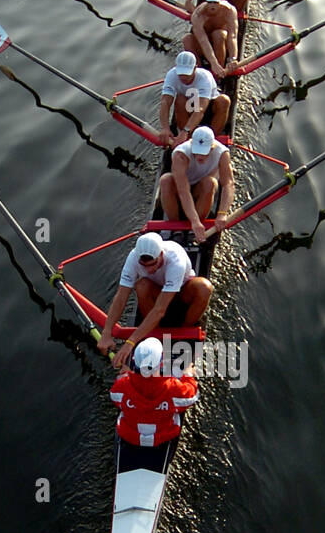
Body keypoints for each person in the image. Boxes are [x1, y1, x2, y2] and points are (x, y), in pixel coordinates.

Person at [97, 232, 213, 367]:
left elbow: (159, 310)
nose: (149, 269)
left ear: (161, 255)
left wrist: (130, 342)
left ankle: (184, 331)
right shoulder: (133, 258)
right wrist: (106, 333)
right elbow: (121, 297)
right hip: (158, 293)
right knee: (141, 286)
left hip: (181, 294)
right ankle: (156, 336)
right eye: (144, 265)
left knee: (205, 288)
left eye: (153, 264)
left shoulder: (176, 259)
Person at [109, 337, 198, 450]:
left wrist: (126, 374)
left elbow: (115, 395)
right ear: (161, 364)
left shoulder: (122, 386)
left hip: (129, 435)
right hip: (164, 435)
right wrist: (188, 375)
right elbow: (192, 397)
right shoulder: (173, 388)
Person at [159, 125, 235, 245]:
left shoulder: (222, 153)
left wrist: (222, 214)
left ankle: (195, 230)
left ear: (212, 147)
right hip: (182, 189)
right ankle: (176, 228)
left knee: (211, 183)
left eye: (204, 152)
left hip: (201, 189)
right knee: (165, 180)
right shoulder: (181, 154)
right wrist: (193, 221)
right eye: (197, 151)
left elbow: (229, 185)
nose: (199, 156)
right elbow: (183, 191)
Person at [157, 50, 230, 147]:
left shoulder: (204, 77)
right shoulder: (171, 75)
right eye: (181, 73)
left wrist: (185, 131)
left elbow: (200, 110)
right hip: (188, 110)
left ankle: (210, 138)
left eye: (187, 73)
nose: (183, 77)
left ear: (195, 68)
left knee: (224, 101)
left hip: (208, 109)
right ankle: (187, 139)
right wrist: (165, 128)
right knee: (180, 99)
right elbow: (165, 102)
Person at [183, 0, 239, 80]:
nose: (212, 5)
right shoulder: (198, 15)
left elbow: (233, 36)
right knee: (187, 39)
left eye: (216, 2)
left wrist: (233, 58)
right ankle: (199, 76)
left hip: (221, 44)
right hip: (205, 46)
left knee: (219, 34)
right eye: (210, 2)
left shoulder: (230, 11)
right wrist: (213, 62)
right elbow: (203, 41)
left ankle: (218, 76)